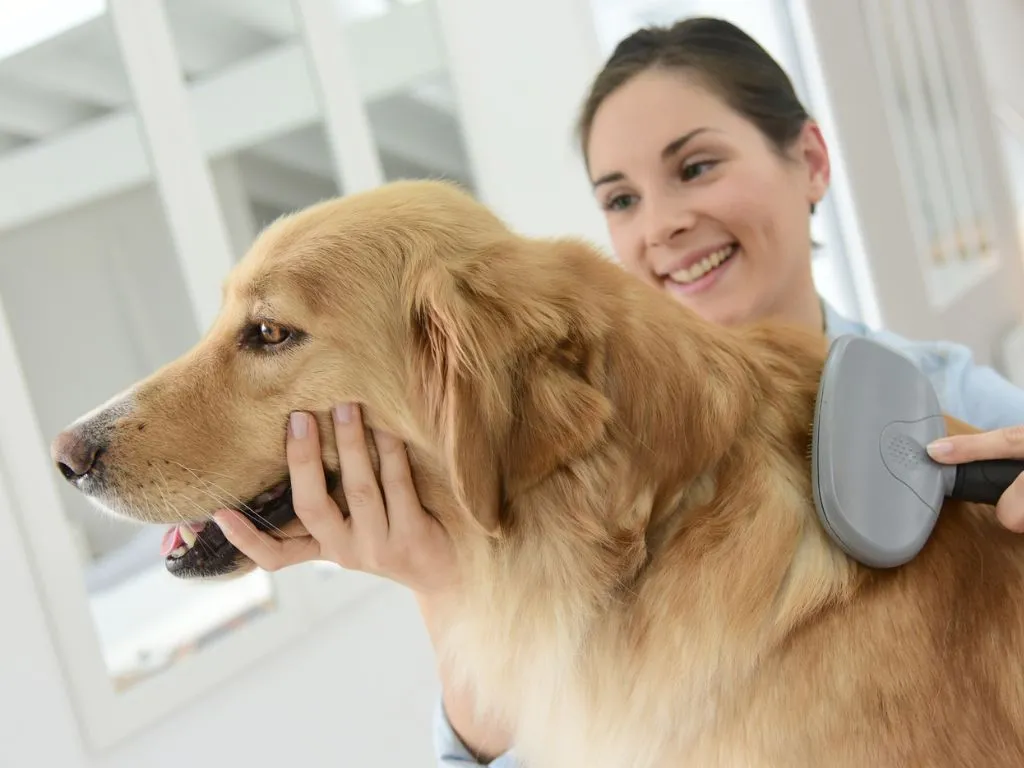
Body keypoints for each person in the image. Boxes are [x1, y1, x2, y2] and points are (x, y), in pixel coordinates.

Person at [210, 16, 1024, 767]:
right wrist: (447, 590)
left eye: (695, 167)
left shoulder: (954, 399)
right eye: (622, 199)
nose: (660, 223)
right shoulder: (575, 479)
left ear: (809, 161)